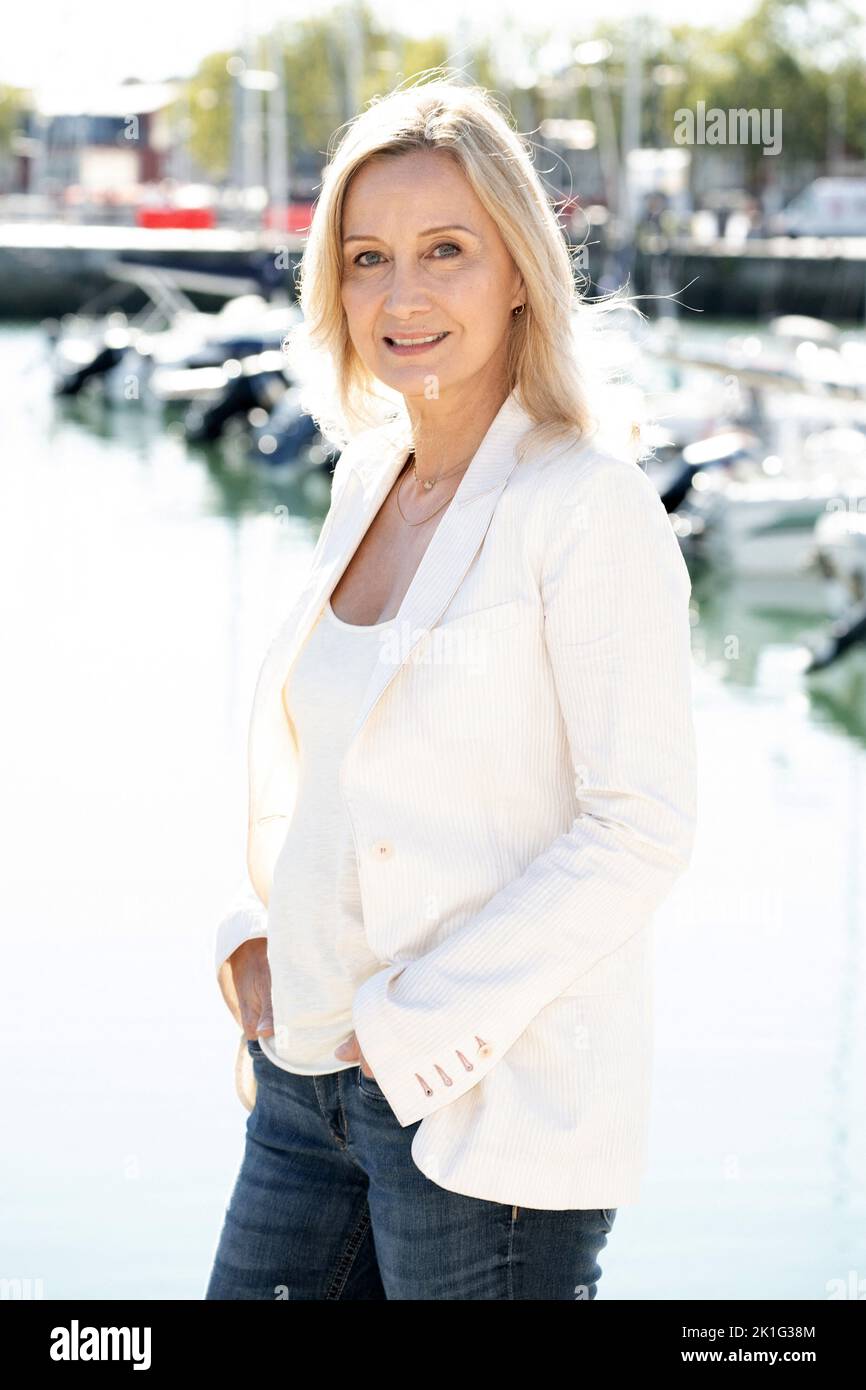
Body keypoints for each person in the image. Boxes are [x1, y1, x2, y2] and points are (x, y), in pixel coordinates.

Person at [205, 75, 697, 1301]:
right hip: (302, 1083)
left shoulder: (586, 505)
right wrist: (255, 932)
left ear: (520, 269)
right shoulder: (368, 475)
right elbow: (328, 763)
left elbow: (639, 827)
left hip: (486, 1120)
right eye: (367, 257)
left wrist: (413, 1024)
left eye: (445, 251)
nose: (402, 294)